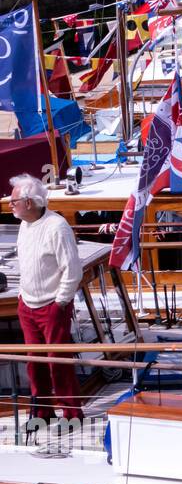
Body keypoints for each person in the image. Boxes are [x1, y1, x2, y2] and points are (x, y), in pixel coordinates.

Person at [10, 174, 83, 423]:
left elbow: (72, 270)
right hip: (27, 304)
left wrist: (60, 302)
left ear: (29, 202)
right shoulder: (24, 224)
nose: (10, 204)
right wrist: (22, 295)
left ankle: (71, 414)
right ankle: (41, 411)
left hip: (53, 305)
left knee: (57, 362)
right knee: (34, 363)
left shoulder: (57, 227)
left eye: (14, 200)